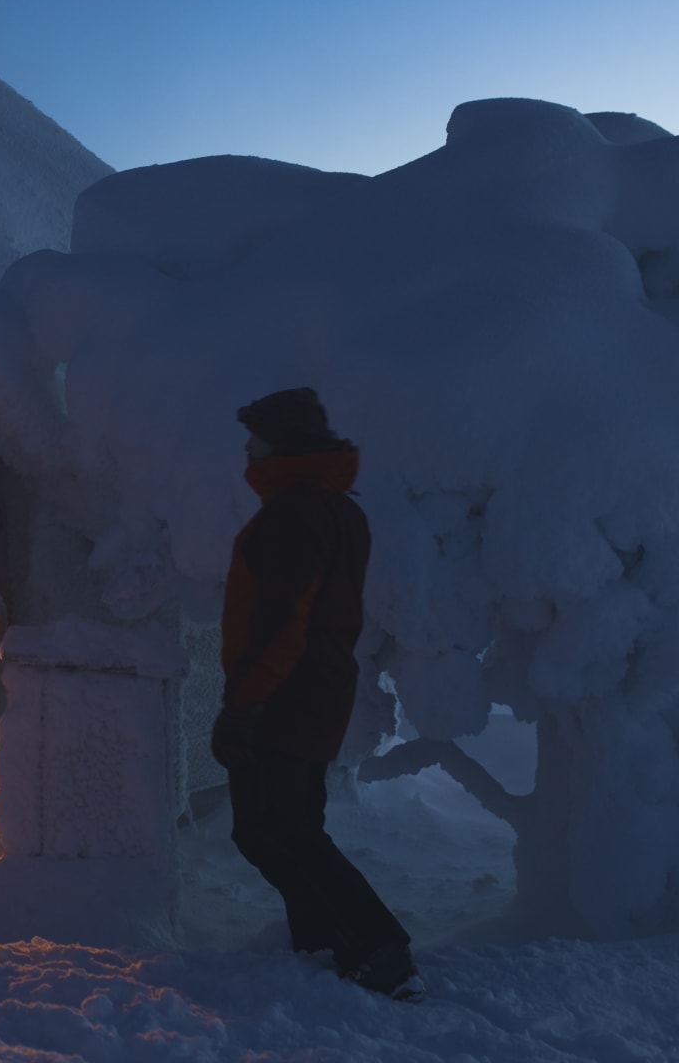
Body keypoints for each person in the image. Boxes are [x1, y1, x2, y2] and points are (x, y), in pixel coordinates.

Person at [210, 387, 421, 1000]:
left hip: (285, 697)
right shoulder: (333, 507)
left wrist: (244, 706)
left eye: (258, 438)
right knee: (284, 826)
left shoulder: (296, 512)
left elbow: (282, 621)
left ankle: (380, 947)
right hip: (315, 694)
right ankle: (327, 942)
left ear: (281, 444)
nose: (248, 449)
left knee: (277, 830)